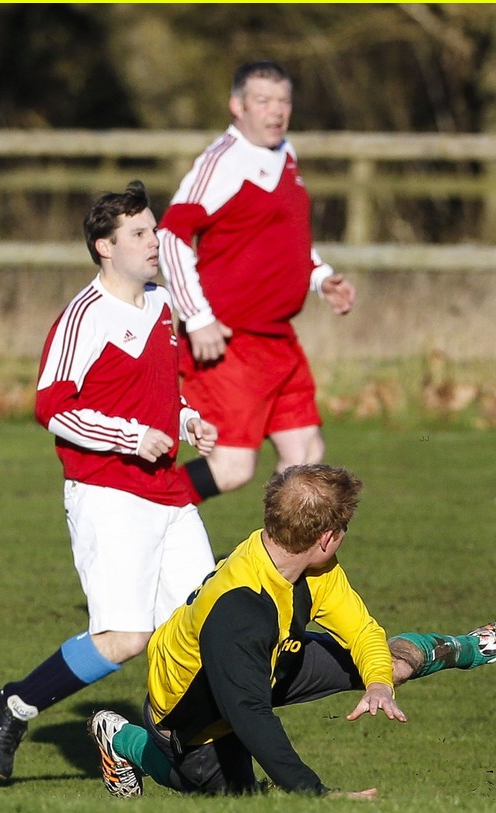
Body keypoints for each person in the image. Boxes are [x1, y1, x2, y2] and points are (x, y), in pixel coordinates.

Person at [85, 463, 496, 798]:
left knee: (387, 663)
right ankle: (121, 739)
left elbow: (361, 629)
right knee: (227, 800)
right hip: (195, 710)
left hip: (273, 658)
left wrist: (378, 681)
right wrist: (316, 795)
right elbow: (249, 716)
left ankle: (479, 643)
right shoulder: (239, 610)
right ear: (325, 537)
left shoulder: (312, 566)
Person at [0, 181, 219, 781]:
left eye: (154, 229)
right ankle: (13, 706)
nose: (154, 241)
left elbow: (163, 392)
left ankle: (184, 754)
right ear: (103, 247)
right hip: (108, 493)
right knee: (125, 637)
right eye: (139, 233)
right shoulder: (83, 316)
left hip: (169, 491)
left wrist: (187, 421)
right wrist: (130, 438)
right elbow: (51, 407)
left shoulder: (163, 303)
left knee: (207, 627)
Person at [158, 59, 356, 506]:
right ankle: (144, 511)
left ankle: (278, 571)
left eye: (283, 100)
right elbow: (170, 235)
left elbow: (283, 240)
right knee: (231, 468)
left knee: (305, 457)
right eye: (263, 100)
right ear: (237, 106)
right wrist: (198, 317)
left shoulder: (285, 153)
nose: (276, 111)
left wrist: (320, 278)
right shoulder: (221, 162)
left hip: (278, 339)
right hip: (228, 342)